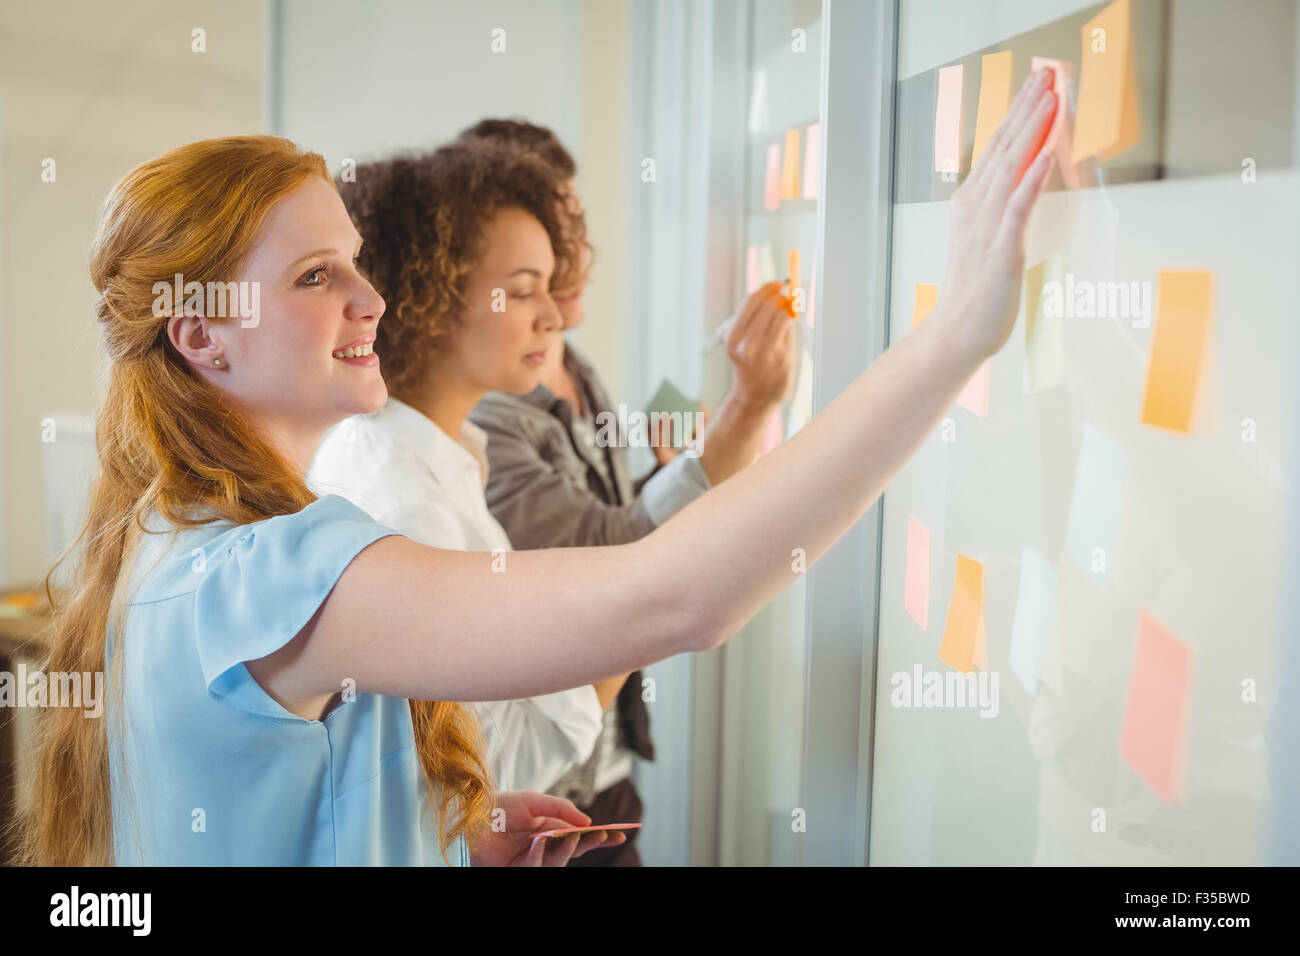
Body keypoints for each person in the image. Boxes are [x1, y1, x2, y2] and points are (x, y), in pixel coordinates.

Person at [19, 67, 1058, 866]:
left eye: (355, 262)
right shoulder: (280, 567)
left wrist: (449, 837)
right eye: (312, 275)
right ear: (205, 338)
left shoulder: (176, 533)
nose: (366, 298)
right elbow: (676, 597)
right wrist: (948, 337)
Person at [458, 118, 797, 865]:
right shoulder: (486, 418)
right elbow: (612, 567)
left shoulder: (570, 364)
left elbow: (608, 530)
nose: (579, 255)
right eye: (553, 231)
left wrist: (679, 471)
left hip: (605, 770)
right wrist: (748, 411)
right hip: (544, 799)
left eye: (576, 224)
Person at [309, 143, 612, 795]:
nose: (554, 316)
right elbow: (491, 771)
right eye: (524, 290)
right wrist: (649, 620)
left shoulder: (434, 456)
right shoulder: (406, 507)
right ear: (433, 301)